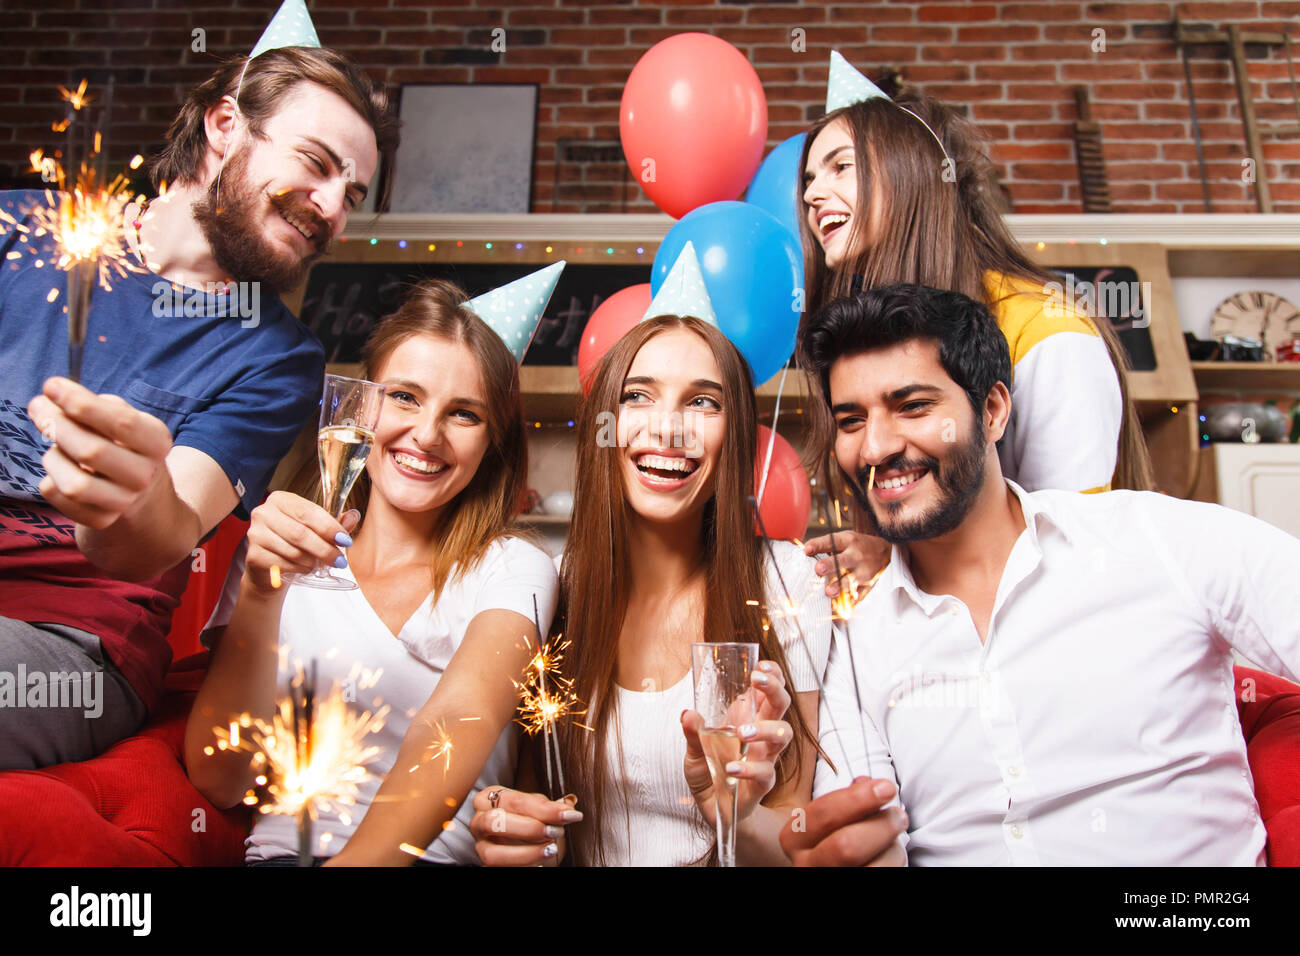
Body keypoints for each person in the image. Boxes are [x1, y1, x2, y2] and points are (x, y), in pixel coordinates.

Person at [781, 282, 1300, 866]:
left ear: (993, 410)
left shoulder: (1156, 540)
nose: (875, 447)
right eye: (852, 420)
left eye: (913, 406)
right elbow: (865, 840)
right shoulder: (852, 647)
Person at [0, 45, 399, 770]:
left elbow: (156, 539)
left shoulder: (276, 360)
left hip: (70, 644)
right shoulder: (18, 231)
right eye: (316, 161)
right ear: (223, 124)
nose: (335, 208)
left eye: (354, 193)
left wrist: (134, 491)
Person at [184, 280, 559, 866]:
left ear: (492, 444)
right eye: (405, 397)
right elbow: (219, 778)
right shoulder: (278, 548)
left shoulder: (514, 568)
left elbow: (457, 720)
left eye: (464, 413)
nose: (427, 435)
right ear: (361, 404)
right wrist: (261, 593)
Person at [468, 300, 830, 866]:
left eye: (703, 402)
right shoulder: (554, 589)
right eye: (637, 396)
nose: (667, 428)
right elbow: (533, 805)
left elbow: (793, 843)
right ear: (604, 428)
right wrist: (512, 828)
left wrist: (737, 817)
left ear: (734, 437)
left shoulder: (786, 580)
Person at [797, 54, 1151, 596]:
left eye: (841, 167)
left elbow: (1069, 552)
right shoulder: (868, 346)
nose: (811, 194)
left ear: (910, 173)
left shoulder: (1049, 332)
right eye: (809, 178)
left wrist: (900, 569)